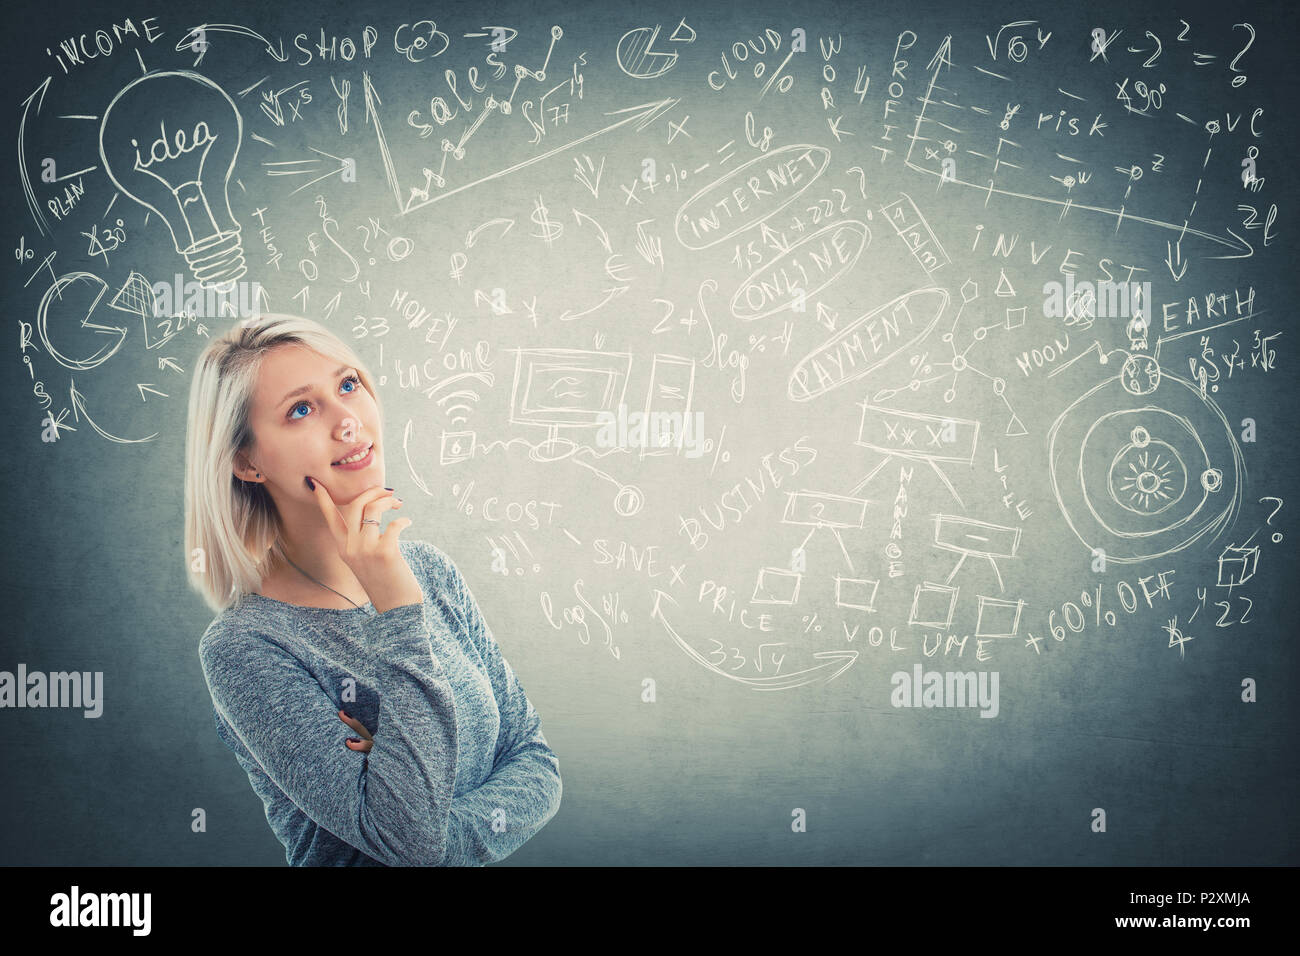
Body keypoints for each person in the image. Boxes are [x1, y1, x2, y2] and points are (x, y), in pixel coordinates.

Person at [184, 313, 561, 865]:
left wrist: (425, 823)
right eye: (301, 410)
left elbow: (536, 765)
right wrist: (399, 611)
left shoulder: (429, 571)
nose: (347, 422)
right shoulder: (245, 647)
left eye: (348, 385)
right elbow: (403, 840)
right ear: (247, 461)